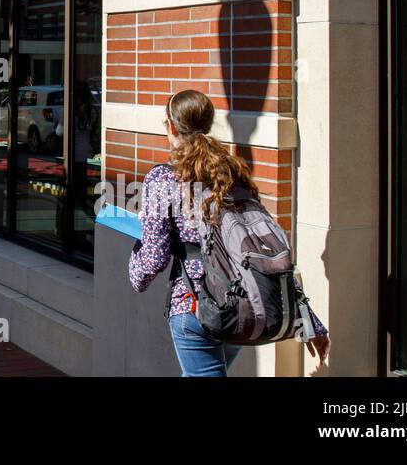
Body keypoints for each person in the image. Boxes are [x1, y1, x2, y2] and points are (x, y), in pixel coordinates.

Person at [128, 89, 331, 376]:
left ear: (171, 127)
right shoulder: (232, 173)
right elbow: (265, 248)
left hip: (195, 305)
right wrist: (310, 322)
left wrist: (135, 272)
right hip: (239, 307)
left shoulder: (163, 178)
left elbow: (153, 258)